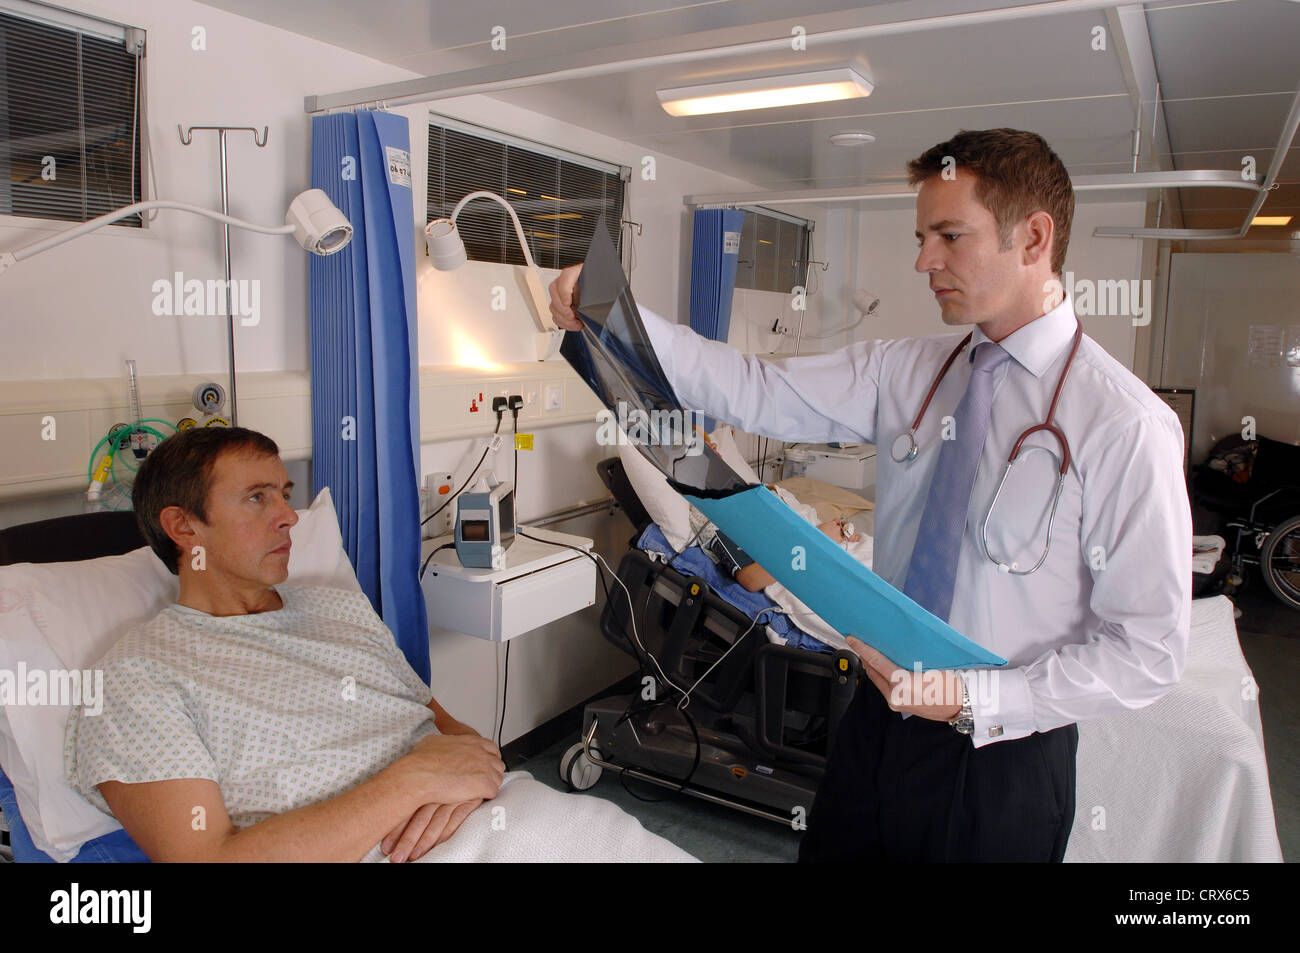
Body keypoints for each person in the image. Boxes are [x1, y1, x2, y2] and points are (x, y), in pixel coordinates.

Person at [549, 128, 1192, 862]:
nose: (924, 260)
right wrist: (616, 318)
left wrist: (978, 700)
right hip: (875, 722)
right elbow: (756, 387)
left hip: (1000, 757)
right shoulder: (908, 370)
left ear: (1035, 237)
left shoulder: (1123, 423)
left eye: (950, 235)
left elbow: (1150, 650)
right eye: (923, 236)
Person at [64, 426, 692, 863]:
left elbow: (447, 730)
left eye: (285, 494)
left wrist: (469, 777)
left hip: (506, 816)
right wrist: (412, 782)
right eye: (257, 497)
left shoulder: (331, 607)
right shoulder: (137, 678)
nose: (289, 515)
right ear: (182, 526)